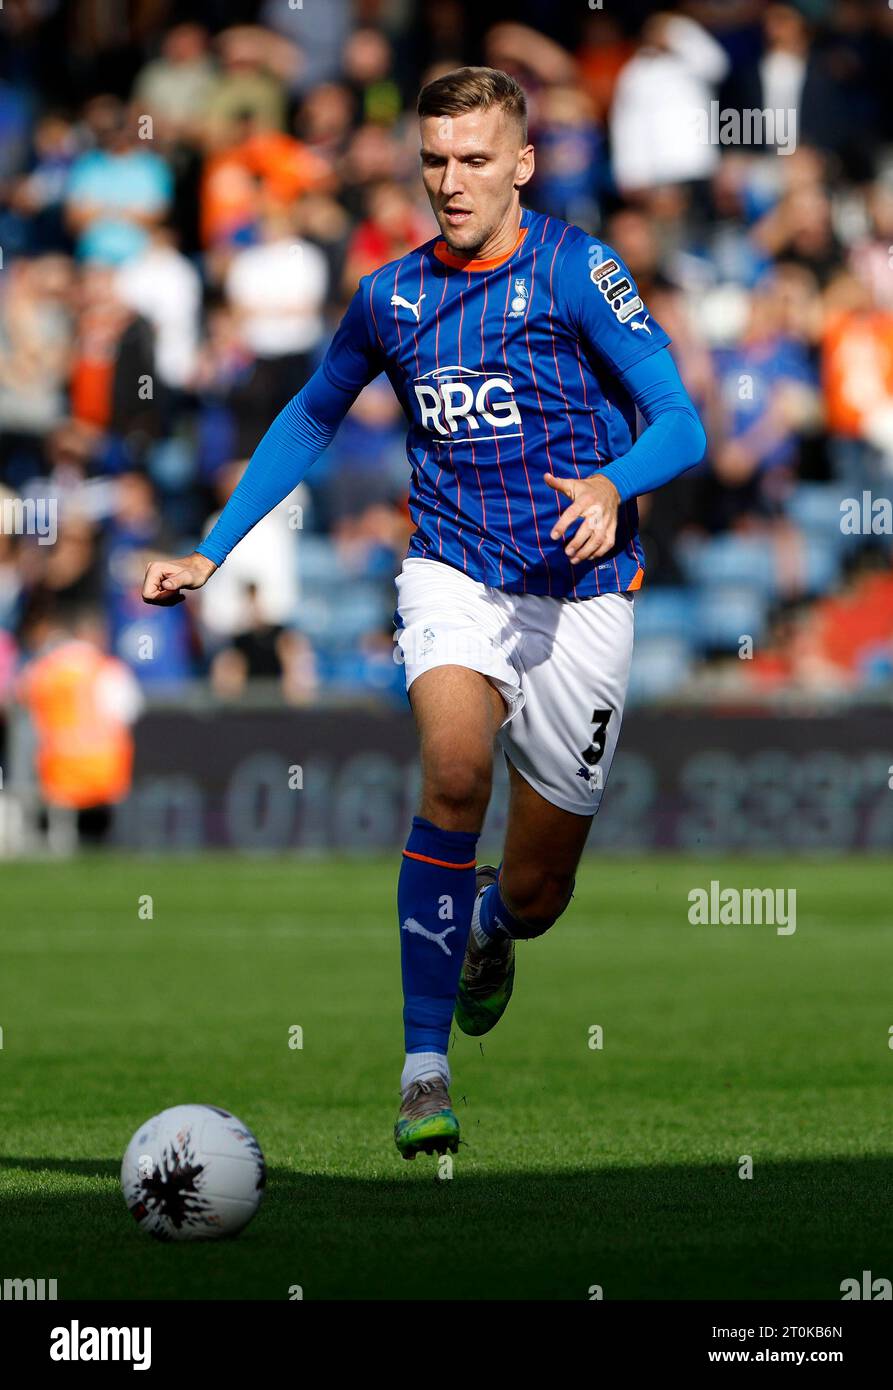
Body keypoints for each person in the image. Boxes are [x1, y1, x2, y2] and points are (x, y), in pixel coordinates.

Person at [142, 67, 706, 1160]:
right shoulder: (389, 297)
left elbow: (679, 422)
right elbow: (310, 417)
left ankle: (491, 928)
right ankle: (420, 1066)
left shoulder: (578, 268)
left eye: (474, 160)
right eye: (434, 160)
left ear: (522, 164)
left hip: (581, 597)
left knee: (539, 892)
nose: (449, 182)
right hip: (452, 571)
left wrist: (611, 484)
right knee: (453, 769)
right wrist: (210, 550)